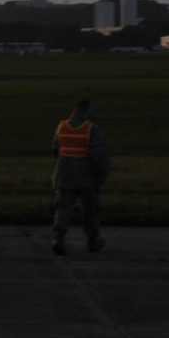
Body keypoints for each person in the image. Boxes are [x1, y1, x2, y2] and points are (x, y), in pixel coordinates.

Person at [52, 96, 111, 255]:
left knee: (63, 209)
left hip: (64, 176)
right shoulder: (92, 129)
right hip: (87, 178)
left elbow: (56, 150)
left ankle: (59, 238)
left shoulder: (61, 126)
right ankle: (92, 241)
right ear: (87, 110)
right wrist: (103, 175)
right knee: (91, 211)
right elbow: (98, 156)